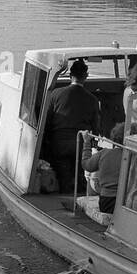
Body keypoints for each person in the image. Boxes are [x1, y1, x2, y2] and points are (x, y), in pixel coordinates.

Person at [44, 58, 101, 192]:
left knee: (63, 176)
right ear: (85, 77)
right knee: (80, 177)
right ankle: (78, 198)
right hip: (81, 144)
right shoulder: (93, 100)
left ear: (70, 76)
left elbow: (47, 121)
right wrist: (94, 145)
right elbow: (95, 127)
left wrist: (47, 141)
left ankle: (63, 196)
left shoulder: (55, 94)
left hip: (59, 143)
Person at [82, 123, 125, 215]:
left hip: (106, 202)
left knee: (91, 179)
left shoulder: (104, 153)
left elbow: (86, 165)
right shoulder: (133, 157)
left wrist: (86, 143)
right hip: (124, 204)